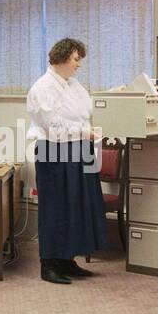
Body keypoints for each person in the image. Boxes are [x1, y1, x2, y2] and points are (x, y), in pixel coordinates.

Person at [26, 38, 108, 284]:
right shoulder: (43, 88)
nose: (78, 64)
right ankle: (49, 264)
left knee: (77, 206)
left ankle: (67, 259)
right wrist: (83, 132)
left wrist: (87, 132)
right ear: (61, 59)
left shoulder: (73, 85)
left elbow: (86, 112)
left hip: (78, 149)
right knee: (56, 207)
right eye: (75, 59)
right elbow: (53, 126)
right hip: (53, 151)